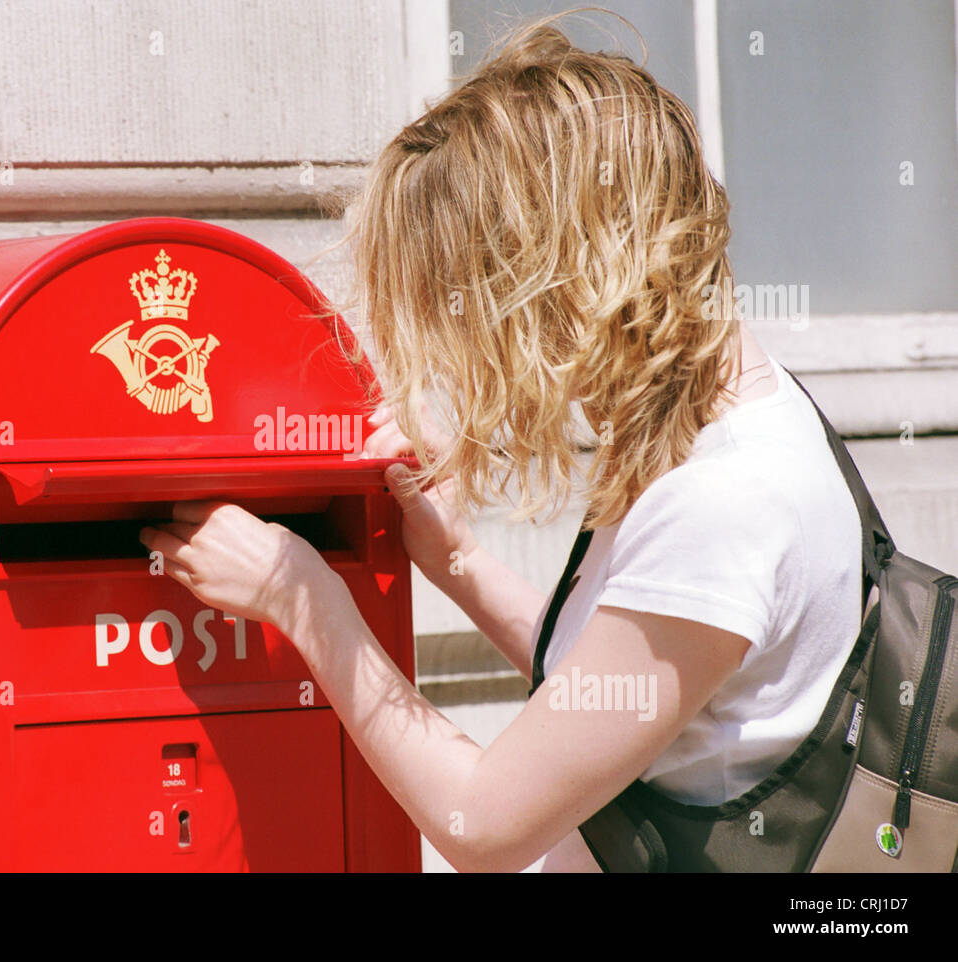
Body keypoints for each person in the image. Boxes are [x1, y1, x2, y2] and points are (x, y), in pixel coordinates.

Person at [138, 11, 862, 872]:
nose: (459, 350)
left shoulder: (726, 501)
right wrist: (462, 566)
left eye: (460, 302)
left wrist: (302, 597)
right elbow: (618, 695)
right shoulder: (743, 413)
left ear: (554, 274)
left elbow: (485, 824)